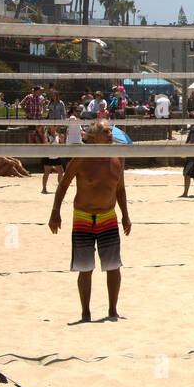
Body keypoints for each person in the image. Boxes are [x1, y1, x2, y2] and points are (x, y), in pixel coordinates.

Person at [49, 120, 132, 323]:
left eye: (111, 131)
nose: (110, 134)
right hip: (83, 217)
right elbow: (64, 184)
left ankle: (113, 310)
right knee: (85, 268)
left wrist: (126, 215)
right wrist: (55, 212)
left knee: (113, 266)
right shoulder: (82, 157)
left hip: (108, 216)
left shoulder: (117, 157)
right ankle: (85, 313)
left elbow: (120, 188)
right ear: (94, 137)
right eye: (106, 132)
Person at [41, 125, 65, 194]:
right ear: (50, 127)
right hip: (48, 156)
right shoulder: (46, 135)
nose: (55, 127)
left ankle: (60, 187)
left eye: (56, 126)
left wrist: (62, 140)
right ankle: (44, 188)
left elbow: (61, 145)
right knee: (47, 172)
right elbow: (46, 145)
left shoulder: (58, 135)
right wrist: (53, 139)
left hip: (56, 155)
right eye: (54, 126)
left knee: (61, 171)